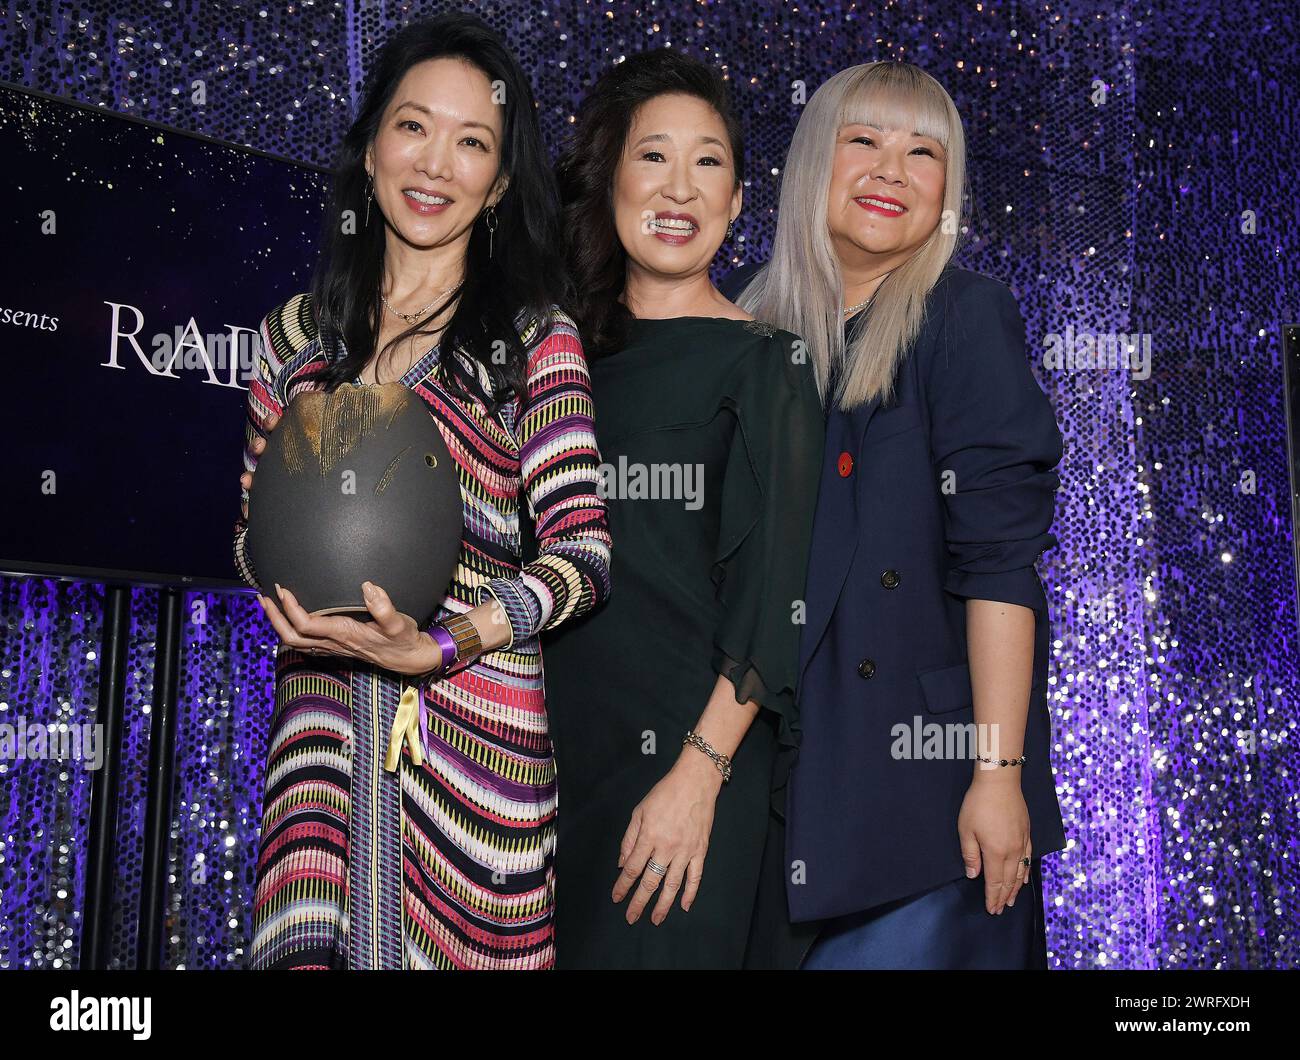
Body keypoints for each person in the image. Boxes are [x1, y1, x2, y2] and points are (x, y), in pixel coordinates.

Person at [232, 13, 612, 970]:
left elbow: (584, 560)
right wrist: (276, 583)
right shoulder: (294, 336)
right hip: (319, 744)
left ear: (497, 183)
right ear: (369, 150)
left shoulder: (532, 340)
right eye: (413, 127)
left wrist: (442, 643)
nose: (436, 163)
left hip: (479, 774)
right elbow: (247, 530)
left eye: (472, 141)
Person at [719, 61, 1067, 969]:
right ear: (811, 166)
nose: (892, 170)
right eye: (864, 140)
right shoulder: (751, 332)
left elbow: (1000, 567)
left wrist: (997, 776)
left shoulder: (964, 316)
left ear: (947, 191)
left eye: (924, 153)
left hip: (925, 801)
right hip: (781, 793)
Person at [539, 49, 825, 969]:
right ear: (609, 179)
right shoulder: (554, 360)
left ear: (739, 202)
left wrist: (697, 777)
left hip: (687, 771)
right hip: (534, 774)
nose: (680, 186)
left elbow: (775, 604)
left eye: (709, 163)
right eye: (652, 155)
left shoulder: (769, 366)